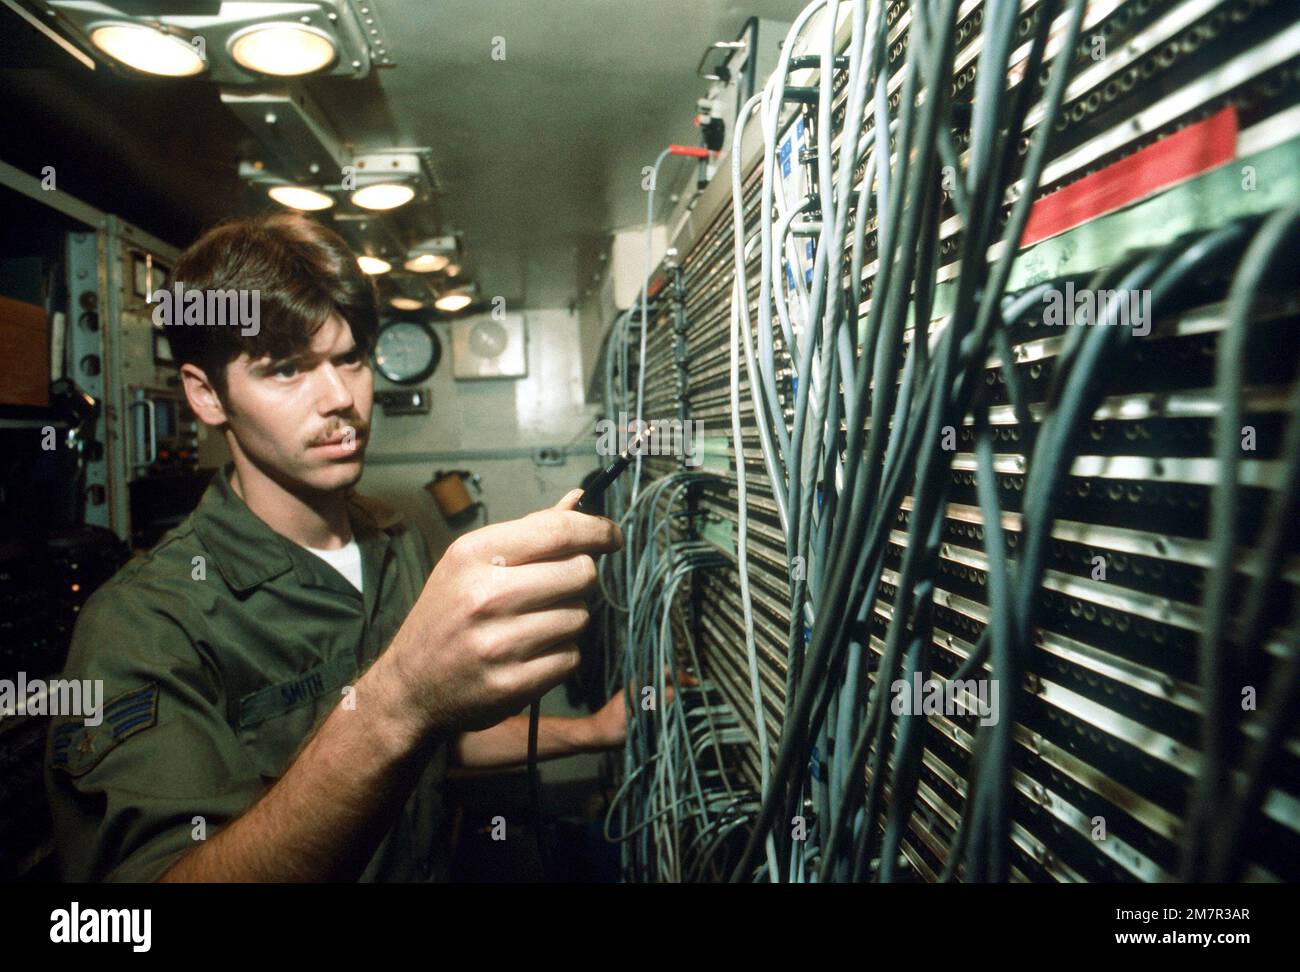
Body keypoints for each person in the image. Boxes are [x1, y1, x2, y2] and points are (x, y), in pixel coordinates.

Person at [44, 211, 634, 881]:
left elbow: (432, 738)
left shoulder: (400, 539)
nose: (339, 398)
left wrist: (594, 731)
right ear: (207, 396)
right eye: (287, 369)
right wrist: (400, 693)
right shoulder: (143, 627)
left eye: (350, 358)